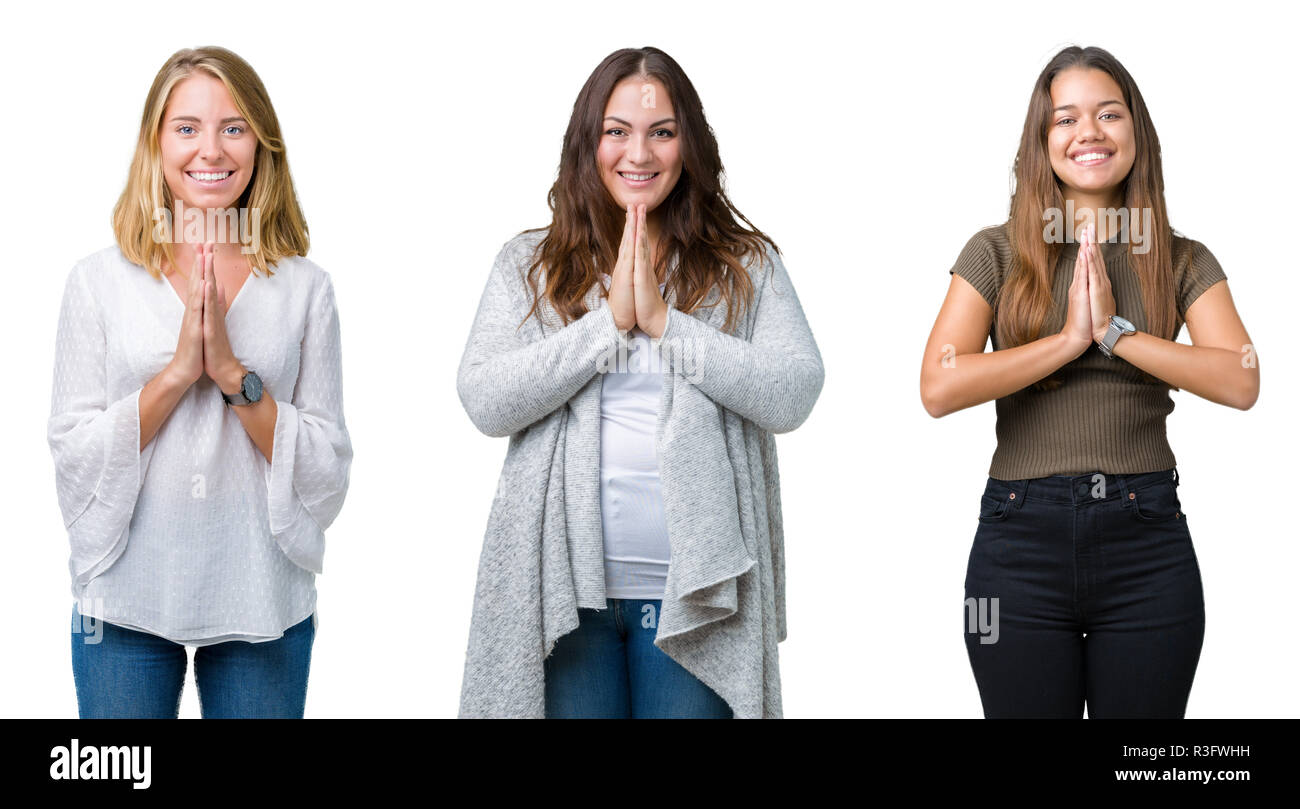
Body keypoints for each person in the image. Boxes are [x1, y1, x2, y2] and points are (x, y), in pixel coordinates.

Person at [456, 46, 824, 718]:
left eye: (662, 131)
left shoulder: (743, 264)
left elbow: (794, 388)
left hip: (695, 604)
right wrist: (608, 326)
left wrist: (664, 322)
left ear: (689, 145)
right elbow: (485, 398)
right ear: (588, 143)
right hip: (566, 600)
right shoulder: (529, 264)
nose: (639, 152)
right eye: (617, 130)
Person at [921, 45, 1258, 718]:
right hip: (1015, 551)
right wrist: (1069, 340)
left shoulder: (1180, 255)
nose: (1089, 133)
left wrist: (1117, 335)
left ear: (1137, 129)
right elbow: (939, 384)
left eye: (1108, 113)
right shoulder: (994, 251)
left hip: (1149, 547)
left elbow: (1240, 377)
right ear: (1042, 140)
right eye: (1065, 118)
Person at [48, 46, 352, 718]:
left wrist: (235, 379)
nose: (210, 149)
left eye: (233, 127)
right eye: (187, 127)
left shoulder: (305, 289)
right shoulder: (98, 282)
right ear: (155, 143)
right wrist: (179, 373)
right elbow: (71, 451)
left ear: (260, 143)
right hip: (124, 599)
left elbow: (329, 465)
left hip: (260, 599)